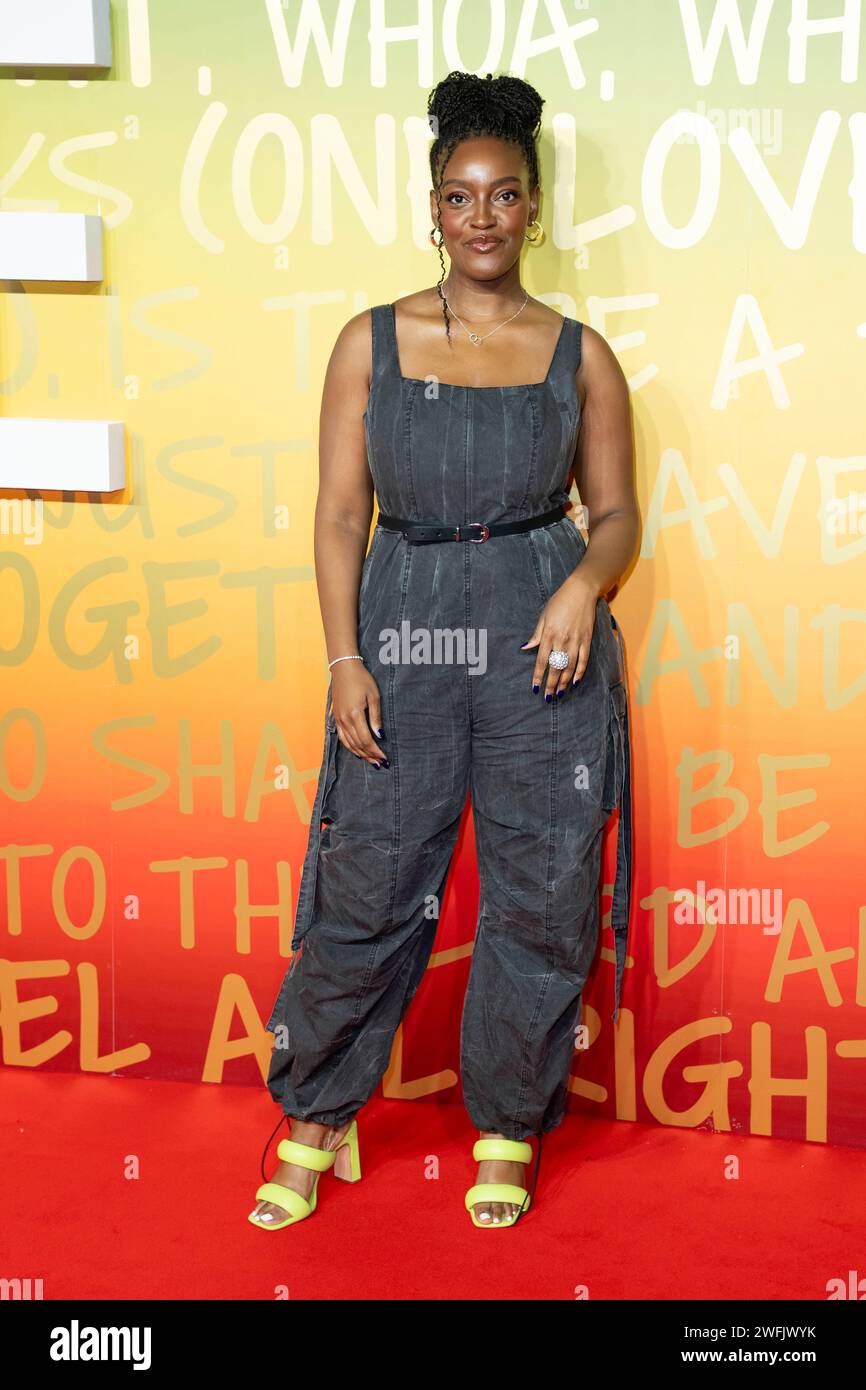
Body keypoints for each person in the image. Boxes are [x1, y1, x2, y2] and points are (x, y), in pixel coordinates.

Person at [249, 69, 639, 1232]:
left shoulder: (580, 355)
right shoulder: (369, 342)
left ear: (534, 210)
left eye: (505, 195)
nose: (482, 217)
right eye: (460, 196)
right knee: (369, 876)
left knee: (539, 882)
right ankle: (318, 1112)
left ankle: (509, 1121)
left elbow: (615, 516)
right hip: (403, 630)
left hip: (539, 644)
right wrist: (341, 657)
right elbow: (333, 517)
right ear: (430, 206)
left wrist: (581, 581)